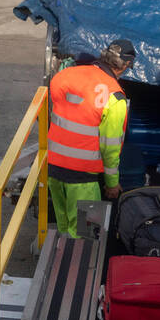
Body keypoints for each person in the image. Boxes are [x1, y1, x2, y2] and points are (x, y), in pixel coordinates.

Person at [46, 39, 135, 237]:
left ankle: (61, 260)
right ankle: (74, 264)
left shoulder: (65, 74)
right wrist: (112, 184)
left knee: (63, 226)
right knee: (82, 234)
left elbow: (55, 109)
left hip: (53, 167)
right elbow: (110, 147)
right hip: (82, 177)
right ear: (126, 65)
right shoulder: (115, 97)